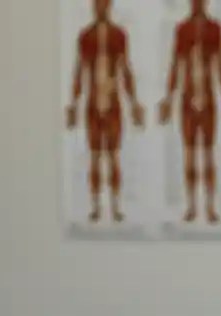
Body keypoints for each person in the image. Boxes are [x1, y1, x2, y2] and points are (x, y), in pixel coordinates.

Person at [159, 0, 221, 225]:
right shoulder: (182, 29)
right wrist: (169, 97)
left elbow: (220, 63)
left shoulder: (215, 29)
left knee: (208, 154)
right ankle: (192, 206)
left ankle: (211, 206)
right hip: (187, 97)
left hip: (208, 96)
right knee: (190, 154)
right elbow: (176, 64)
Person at [66, 0, 146, 224]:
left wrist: (134, 103)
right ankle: (95, 207)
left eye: (103, 3)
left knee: (113, 156)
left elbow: (125, 69)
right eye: (96, 4)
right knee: (94, 156)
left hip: (112, 103)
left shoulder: (118, 35)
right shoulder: (86, 36)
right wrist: (73, 103)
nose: (99, 7)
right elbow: (79, 71)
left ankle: (115, 206)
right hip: (93, 103)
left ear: (109, 6)